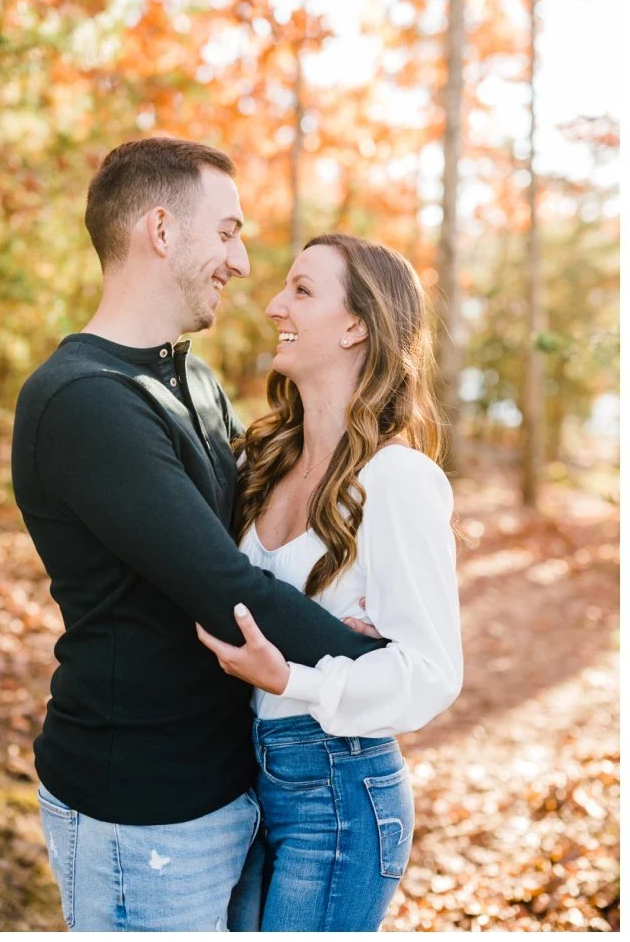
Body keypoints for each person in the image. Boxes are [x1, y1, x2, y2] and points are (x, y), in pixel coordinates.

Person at [11, 137, 389, 931]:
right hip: (142, 808)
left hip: (234, 781)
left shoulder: (193, 378)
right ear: (160, 229)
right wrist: (379, 668)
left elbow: (263, 540)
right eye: (226, 231)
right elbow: (227, 591)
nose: (241, 261)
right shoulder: (83, 400)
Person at [194, 234, 461, 931]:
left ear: (356, 325)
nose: (275, 304)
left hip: (338, 790)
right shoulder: (260, 458)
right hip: (239, 777)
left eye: (302, 290)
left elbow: (431, 671)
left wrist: (295, 677)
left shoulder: (396, 480)